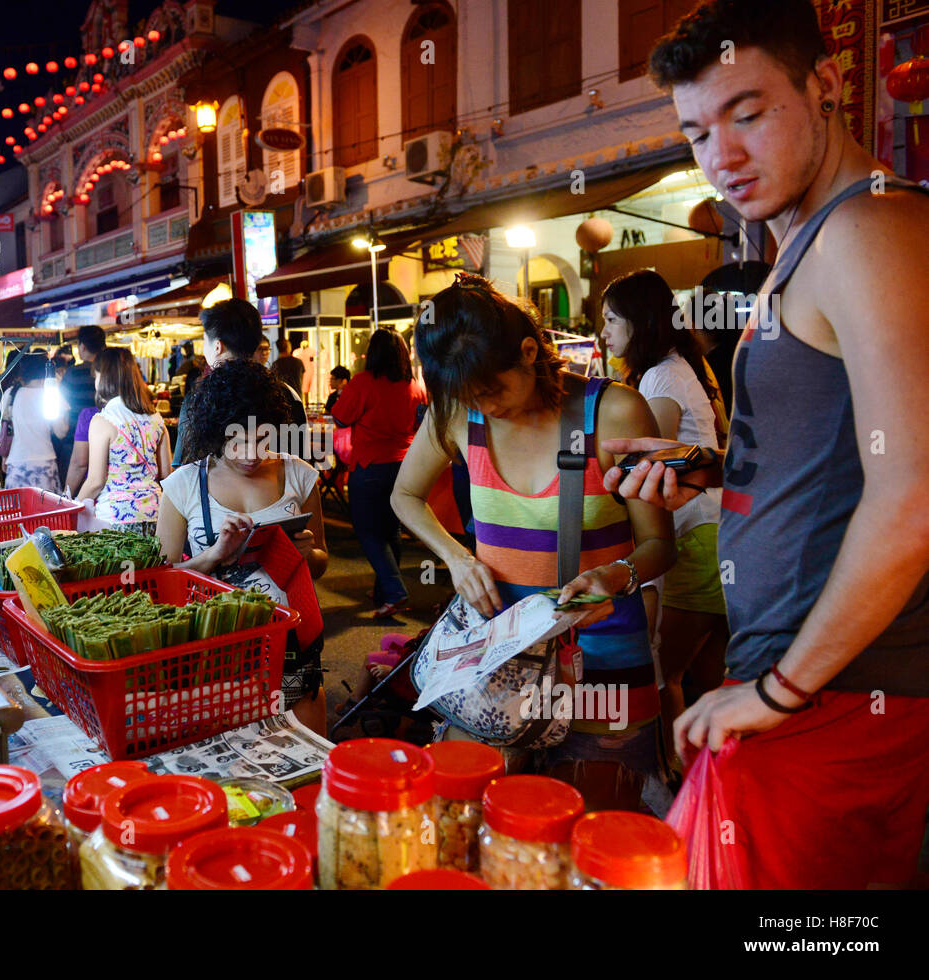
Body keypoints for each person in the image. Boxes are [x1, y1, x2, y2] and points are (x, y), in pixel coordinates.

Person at [600, 0, 929, 888]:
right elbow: (834, 452)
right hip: (797, 676)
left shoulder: (870, 233)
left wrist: (778, 691)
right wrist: (705, 468)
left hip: (838, 690)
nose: (722, 158)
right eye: (698, 132)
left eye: (748, 114)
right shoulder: (803, 245)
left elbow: (914, 498)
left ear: (825, 85)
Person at [391, 274, 675, 811]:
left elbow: (660, 544)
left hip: (605, 664)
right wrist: (456, 557)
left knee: (594, 833)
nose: (483, 405)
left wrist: (613, 577)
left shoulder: (615, 412)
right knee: (474, 823)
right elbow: (404, 495)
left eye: (491, 389)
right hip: (499, 669)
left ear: (528, 352)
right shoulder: (457, 412)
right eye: (468, 395)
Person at [600, 269, 729, 770]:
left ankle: (673, 778)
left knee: (662, 672)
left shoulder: (661, 376)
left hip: (695, 536)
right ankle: (711, 774)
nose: (605, 332)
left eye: (612, 319)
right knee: (709, 674)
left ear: (640, 320)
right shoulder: (679, 366)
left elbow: (653, 465)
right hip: (717, 530)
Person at [158, 358, 329, 734]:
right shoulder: (184, 484)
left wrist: (307, 554)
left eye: (263, 439)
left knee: (305, 752)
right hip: (218, 649)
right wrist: (214, 555)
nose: (252, 453)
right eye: (239, 441)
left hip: (292, 644)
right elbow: (162, 583)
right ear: (216, 432)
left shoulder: (300, 475)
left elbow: (320, 563)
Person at [332, 329, 428, 618]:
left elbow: (340, 417)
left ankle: (395, 590)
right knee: (391, 530)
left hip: (370, 466)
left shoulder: (363, 383)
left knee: (368, 531)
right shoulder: (413, 385)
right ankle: (384, 591)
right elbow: (420, 420)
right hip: (406, 467)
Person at [173, 300, 307, 467]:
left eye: (204, 340)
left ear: (217, 347)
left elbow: (185, 467)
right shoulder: (287, 395)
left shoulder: (201, 397)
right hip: (280, 490)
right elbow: (300, 460)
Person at [76, 348, 169, 526]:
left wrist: (74, 504)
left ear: (104, 376)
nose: (96, 381)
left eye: (96, 376)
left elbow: (95, 482)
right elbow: (165, 474)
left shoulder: (103, 420)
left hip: (116, 516)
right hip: (157, 513)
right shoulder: (156, 418)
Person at [0, 352, 68, 494]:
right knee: (48, 513)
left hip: (17, 463)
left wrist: (4, 458)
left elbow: (5, 430)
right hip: (45, 462)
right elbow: (61, 432)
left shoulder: (10, 394)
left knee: (19, 513)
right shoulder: (52, 395)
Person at [59, 326, 105, 477]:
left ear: (82, 346)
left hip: (75, 438)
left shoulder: (72, 373)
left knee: (75, 486)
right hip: (105, 438)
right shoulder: (109, 371)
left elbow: (62, 405)